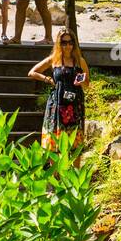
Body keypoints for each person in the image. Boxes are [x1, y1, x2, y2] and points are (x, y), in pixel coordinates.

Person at [29, 29, 89, 162]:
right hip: (56, 105)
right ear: (58, 43)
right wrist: (48, 79)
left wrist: (80, 83)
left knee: (75, 144)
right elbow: (32, 72)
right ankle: (55, 178)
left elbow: (87, 84)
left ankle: (74, 178)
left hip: (74, 106)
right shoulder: (54, 60)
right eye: (64, 42)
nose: (68, 46)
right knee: (54, 144)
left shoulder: (80, 61)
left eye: (70, 42)